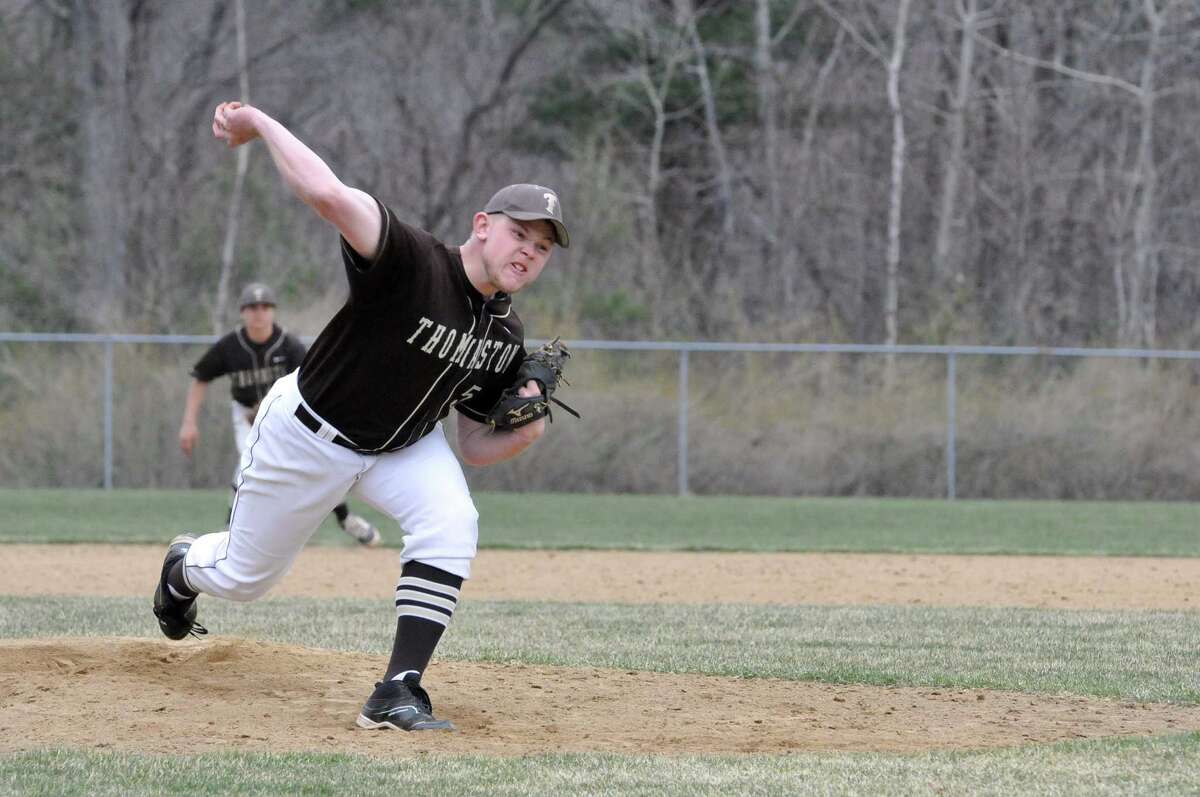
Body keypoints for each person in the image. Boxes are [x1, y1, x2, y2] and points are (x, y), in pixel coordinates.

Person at [153, 99, 570, 732]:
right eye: (520, 234)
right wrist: (260, 122)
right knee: (245, 578)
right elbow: (326, 193)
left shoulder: (506, 336)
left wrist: (530, 425)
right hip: (309, 433)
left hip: (401, 446)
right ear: (483, 225)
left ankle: (398, 690)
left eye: (542, 247)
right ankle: (184, 567)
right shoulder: (411, 260)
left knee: (452, 521)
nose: (529, 252)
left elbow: (477, 447)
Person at [178, 282, 382, 547]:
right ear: (243, 312)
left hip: (288, 415)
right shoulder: (230, 347)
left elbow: (315, 385)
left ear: (273, 311)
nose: (259, 312)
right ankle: (230, 534)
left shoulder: (289, 346)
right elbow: (200, 377)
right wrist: (188, 423)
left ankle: (345, 518)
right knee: (248, 461)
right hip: (246, 414)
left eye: (265, 306)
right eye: (252, 307)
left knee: (315, 464)